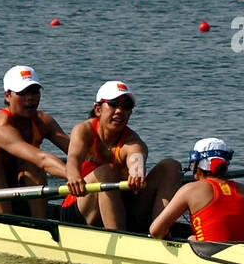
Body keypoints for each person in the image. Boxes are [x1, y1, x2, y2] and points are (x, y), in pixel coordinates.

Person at [60, 81, 182, 232]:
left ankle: (161, 233)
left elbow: (136, 156)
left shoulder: (132, 141)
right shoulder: (83, 131)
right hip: (79, 209)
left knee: (171, 166)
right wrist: (73, 177)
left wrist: (136, 173)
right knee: (107, 171)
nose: (119, 110)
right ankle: (119, 238)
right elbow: (73, 159)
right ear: (98, 109)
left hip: (124, 209)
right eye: (113, 104)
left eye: (126, 106)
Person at [0, 65, 70, 217]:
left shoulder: (43, 121)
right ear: (8, 96)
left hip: (19, 194)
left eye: (34, 91)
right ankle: (7, 221)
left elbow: (78, 152)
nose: (29, 98)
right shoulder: (0, 126)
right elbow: (42, 159)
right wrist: (73, 175)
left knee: (31, 162)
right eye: (22, 93)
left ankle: (41, 225)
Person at [150, 138, 244, 242]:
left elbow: (156, 231)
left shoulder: (189, 190)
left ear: (197, 165)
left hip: (210, 253)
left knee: (192, 238)